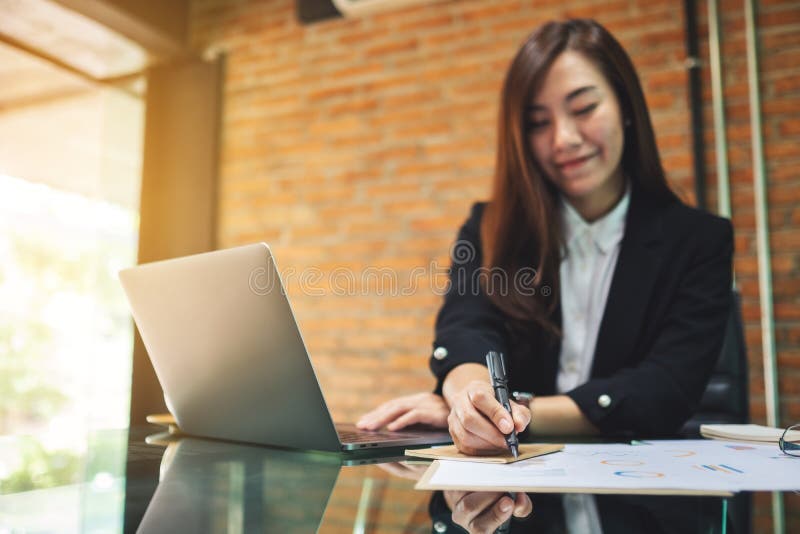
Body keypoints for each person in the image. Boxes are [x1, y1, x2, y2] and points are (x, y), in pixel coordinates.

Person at [357, 19, 733, 455]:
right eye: (538, 122)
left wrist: (514, 412)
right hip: (520, 486)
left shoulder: (699, 241)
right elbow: (466, 327)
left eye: (584, 108)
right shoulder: (489, 226)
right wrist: (470, 401)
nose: (564, 139)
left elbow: (663, 389)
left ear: (626, 107)